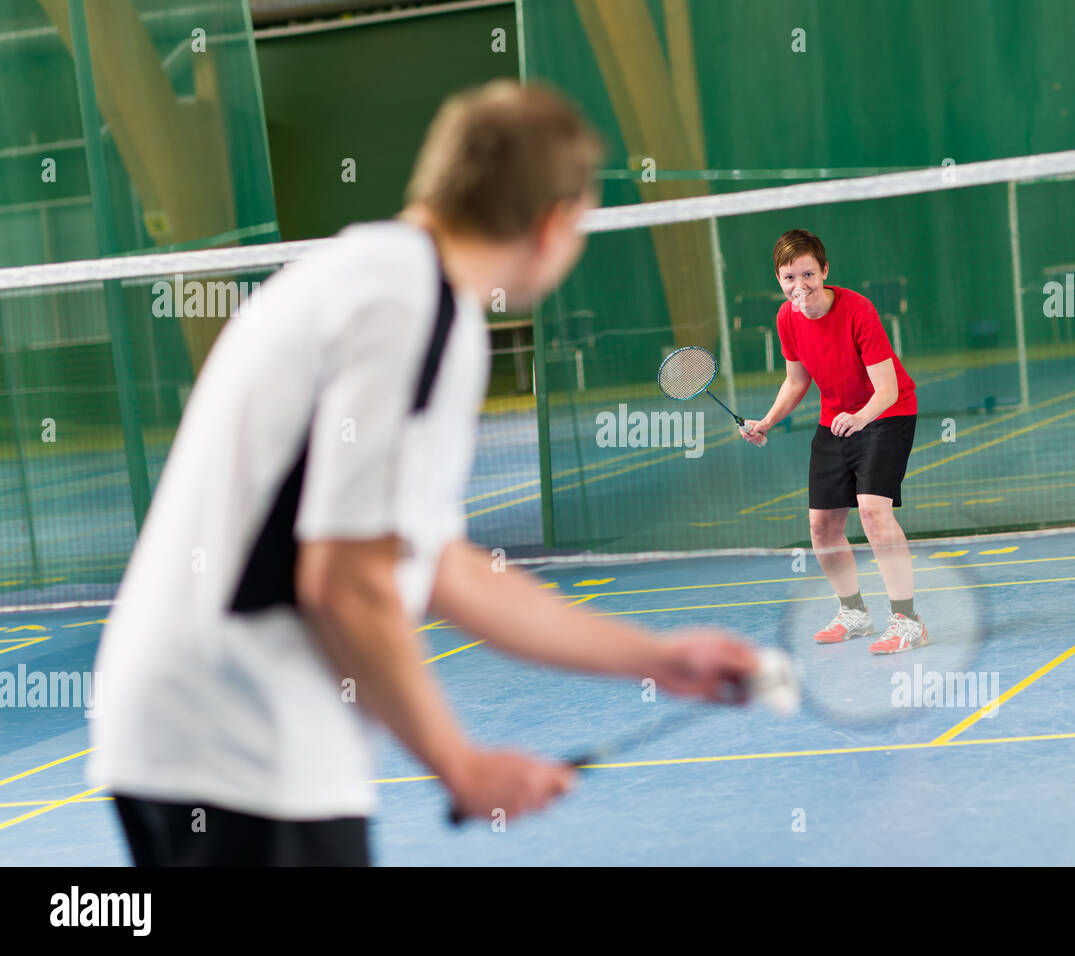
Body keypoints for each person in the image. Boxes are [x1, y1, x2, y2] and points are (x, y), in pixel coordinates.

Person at [89, 81, 758, 866]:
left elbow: (438, 569)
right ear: (553, 225)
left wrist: (654, 658)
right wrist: (462, 767)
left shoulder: (355, 275)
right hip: (245, 742)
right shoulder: (416, 305)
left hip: (183, 729)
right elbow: (348, 581)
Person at [741, 229, 925, 654]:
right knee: (821, 526)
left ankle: (908, 620)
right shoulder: (787, 318)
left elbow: (888, 390)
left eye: (807, 274)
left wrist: (859, 418)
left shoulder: (858, 310)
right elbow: (795, 380)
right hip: (836, 421)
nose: (799, 286)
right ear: (779, 280)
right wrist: (766, 422)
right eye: (789, 277)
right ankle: (854, 612)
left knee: (874, 513)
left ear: (824, 270)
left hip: (885, 414)